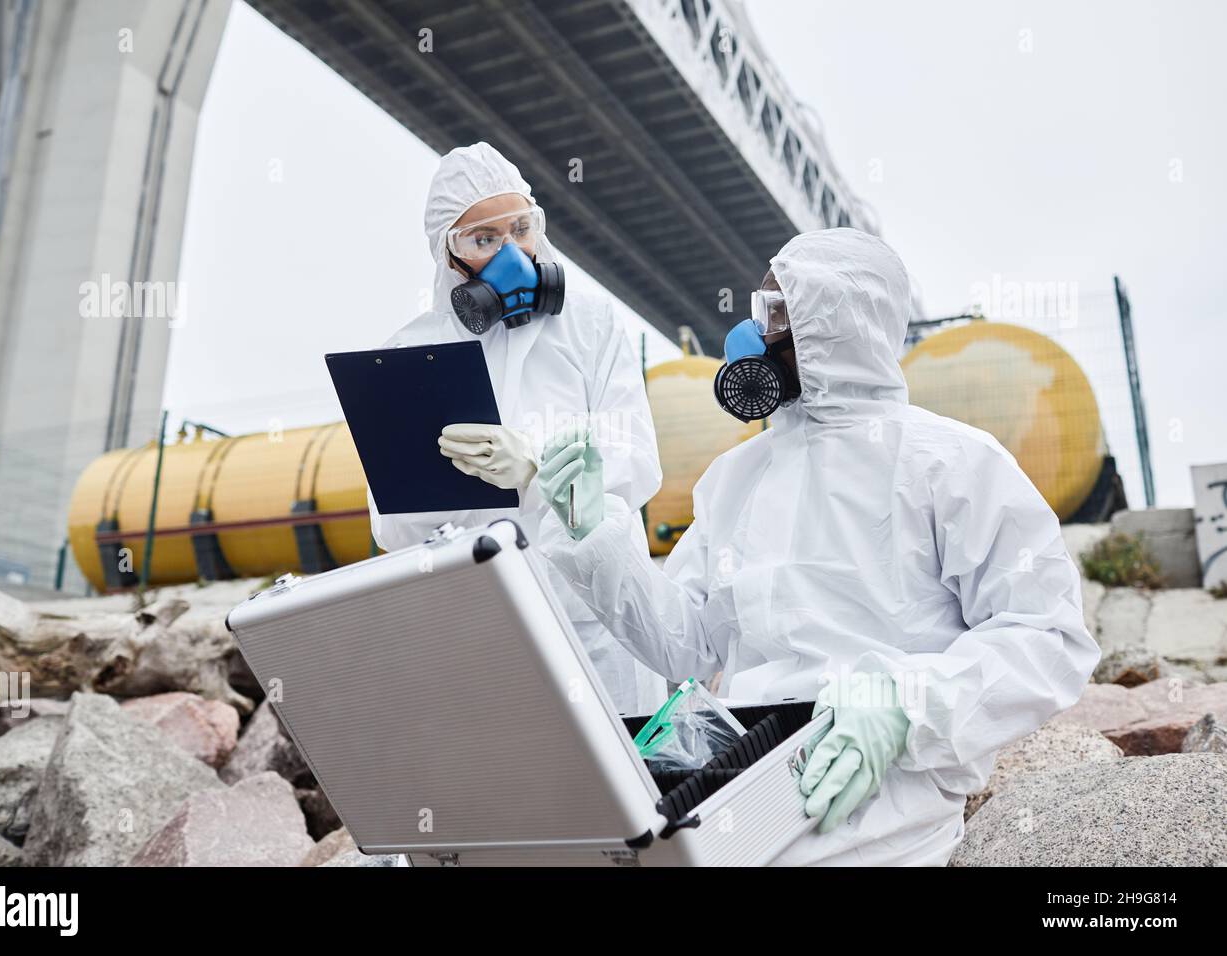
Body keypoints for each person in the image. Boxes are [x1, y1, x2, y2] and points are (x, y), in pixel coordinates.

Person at [534, 227, 1100, 865]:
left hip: (883, 794)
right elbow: (685, 644)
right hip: (738, 781)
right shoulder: (736, 479)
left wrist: (906, 701)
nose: (753, 335)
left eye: (776, 314)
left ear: (837, 327)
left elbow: (1049, 637)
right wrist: (595, 535)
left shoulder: (952, 461)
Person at [368, 142, 666, 715]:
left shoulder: (590, 324)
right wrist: (440, 485)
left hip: (597, 618)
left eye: (522, 228)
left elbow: (638, 460)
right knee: (511, 782)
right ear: (448, 256)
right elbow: (391, 527)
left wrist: (536, 468)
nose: (512, 253)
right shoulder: (408, 354)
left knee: (629, 781)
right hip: (476, 621)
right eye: (483, 239)